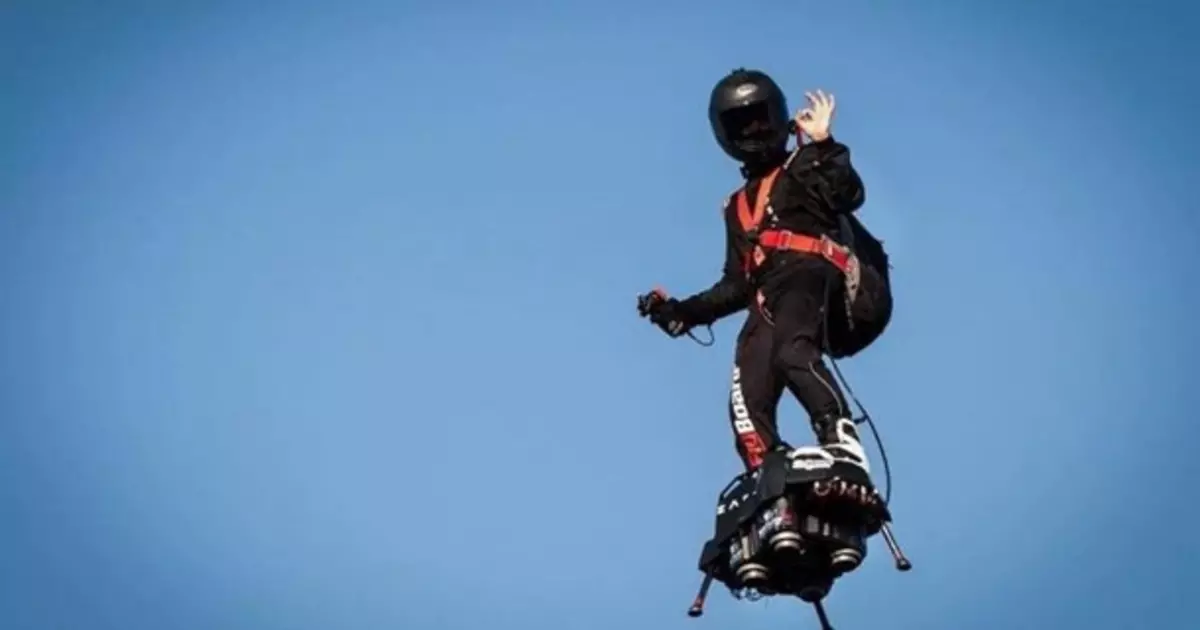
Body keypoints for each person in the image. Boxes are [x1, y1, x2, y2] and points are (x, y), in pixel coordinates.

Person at [639, 68, 893, 482]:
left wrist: (823, 142)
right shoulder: (737, 208)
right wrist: (681, 312)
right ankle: (768, 473)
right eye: (742, 124)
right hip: (768, 295)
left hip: (812, 275)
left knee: (792, 353)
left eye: (760, 118)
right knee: (747, 391)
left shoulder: (803, 164)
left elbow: (850, 193)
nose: (755, 130)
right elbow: (736, 285)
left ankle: (837, 433)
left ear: (778, 116)